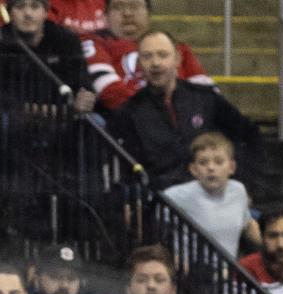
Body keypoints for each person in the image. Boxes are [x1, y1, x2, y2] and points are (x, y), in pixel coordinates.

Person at [108, 30, 256, 190]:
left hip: (214, 192)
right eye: (147, 56)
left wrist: (246, 185)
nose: (155, 63)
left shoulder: (205, 98)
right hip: (163, 198)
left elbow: (248, 134)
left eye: (163, 55)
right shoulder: (129, 112)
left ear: (177, 59)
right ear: (139, 64)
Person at [85, 0, 211, 113]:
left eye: (135, 6)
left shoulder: (179, 49)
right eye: (118, 7)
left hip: (184, 120)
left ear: (148, 14)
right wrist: (156, 116)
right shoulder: (95, 45)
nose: (127, 13)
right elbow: (109, 92)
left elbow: (208, 94)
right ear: (105, 16)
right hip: (128, 123)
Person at [160, 132, 262, 258]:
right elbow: (157, 233)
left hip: (229, 267)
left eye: (218, 162)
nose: (211, 168)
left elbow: (248, 225)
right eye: (203, 163)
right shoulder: (176, 195)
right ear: (193, 169)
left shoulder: (238, 190)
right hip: (191, 268)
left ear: (231, 167)